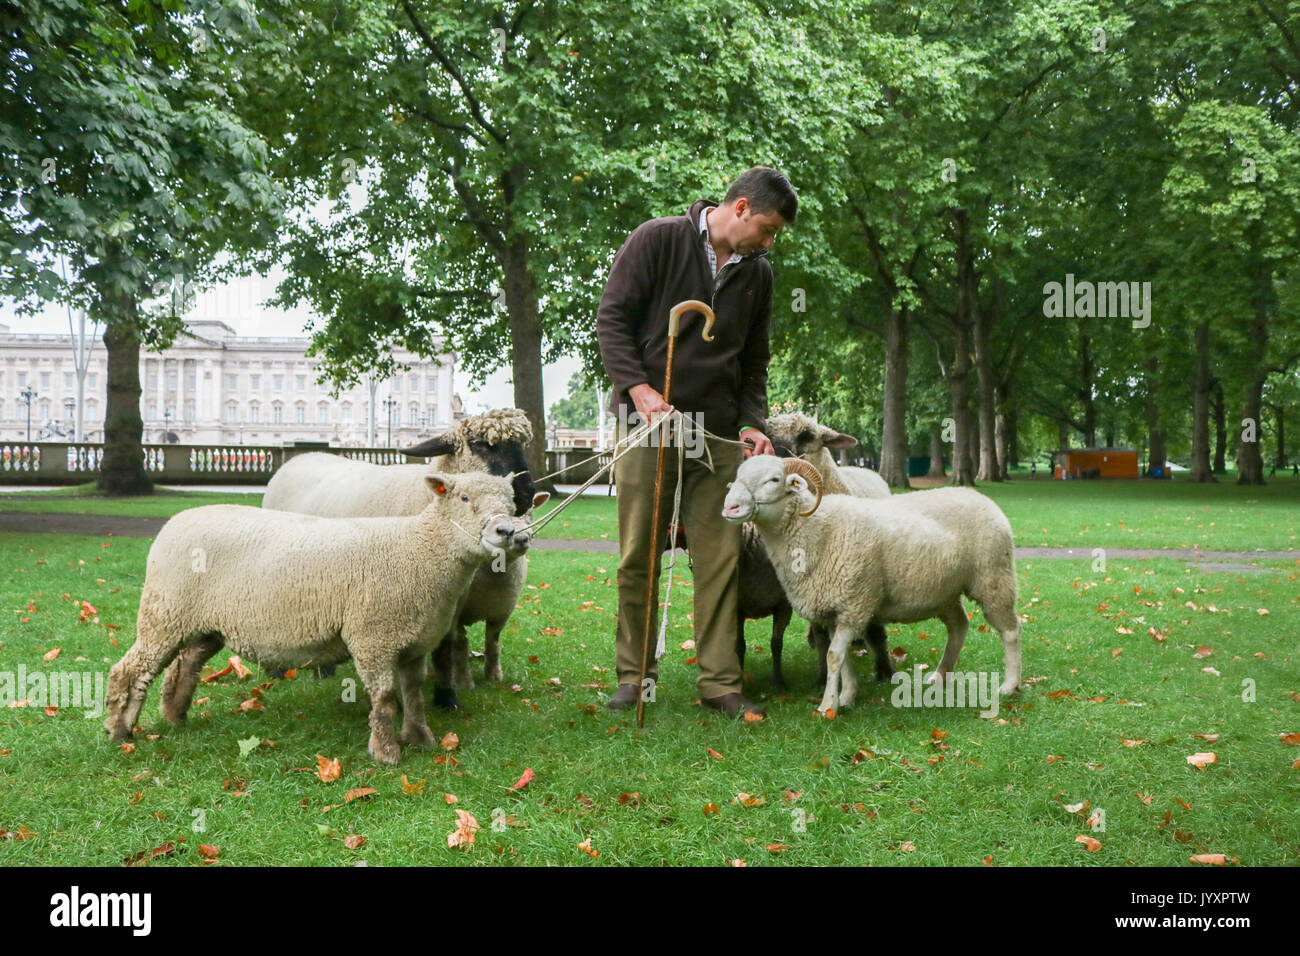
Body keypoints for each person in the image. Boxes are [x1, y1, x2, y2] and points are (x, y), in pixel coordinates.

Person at [596, 166, 797, 719]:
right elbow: (611, 318)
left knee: (721, 558)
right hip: (648, 426)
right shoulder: (656, 239)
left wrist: (752, 422)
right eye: (769, 228)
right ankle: (634, 676)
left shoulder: (760, 275)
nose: (769, 241)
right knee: (639, 555)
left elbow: (754, 361)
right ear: (740, 209)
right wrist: (637, 390)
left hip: (717, 436)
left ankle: (720, 684)